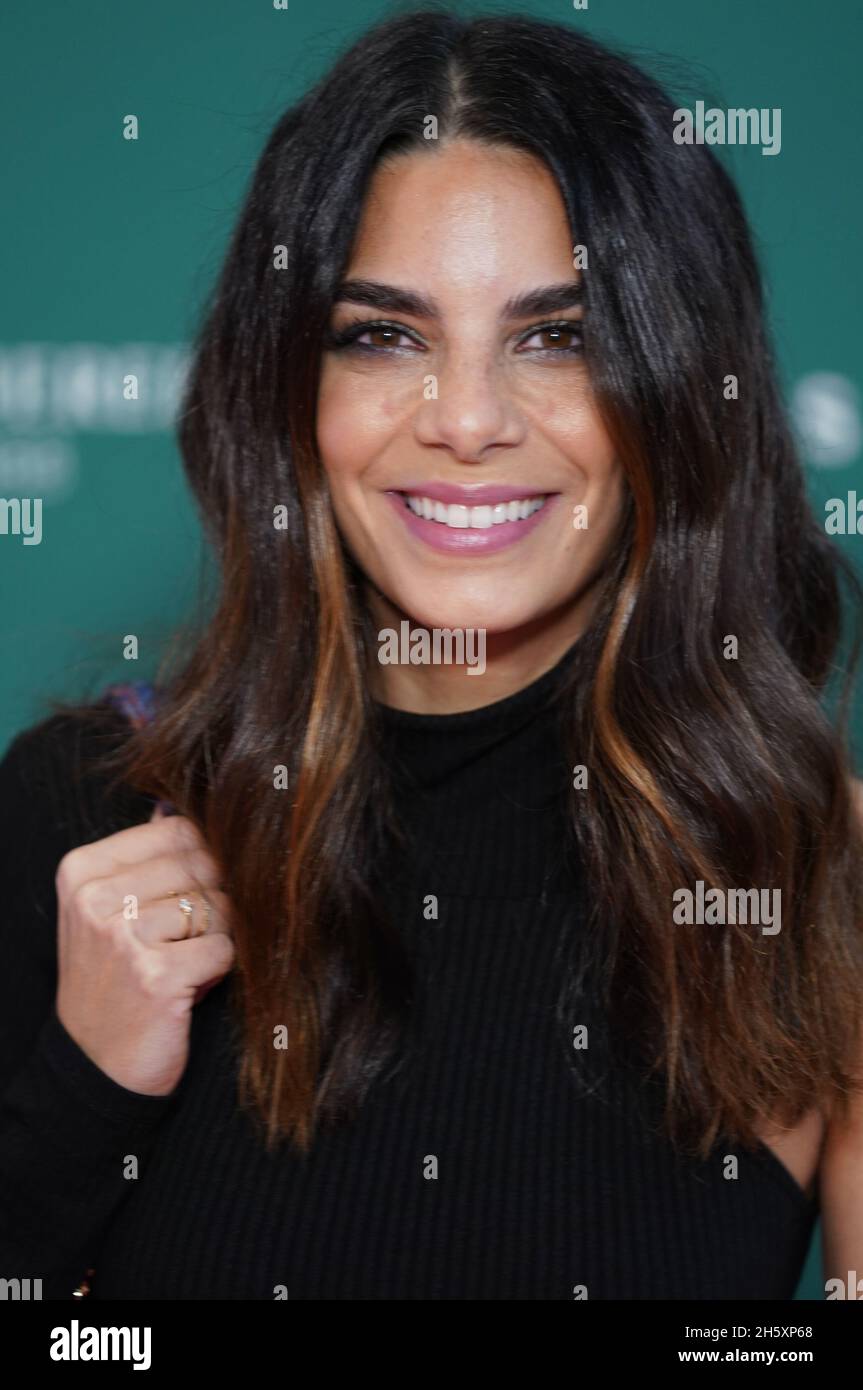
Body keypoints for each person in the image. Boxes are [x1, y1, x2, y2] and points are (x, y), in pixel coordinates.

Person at [1, 9, 862, 1301]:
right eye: (383, 334)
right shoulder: (84, 824)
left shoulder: (817, 881)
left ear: (679, 387)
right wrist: (82, 1089)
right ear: (290, 384)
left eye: (556, 335)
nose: (464, 419)